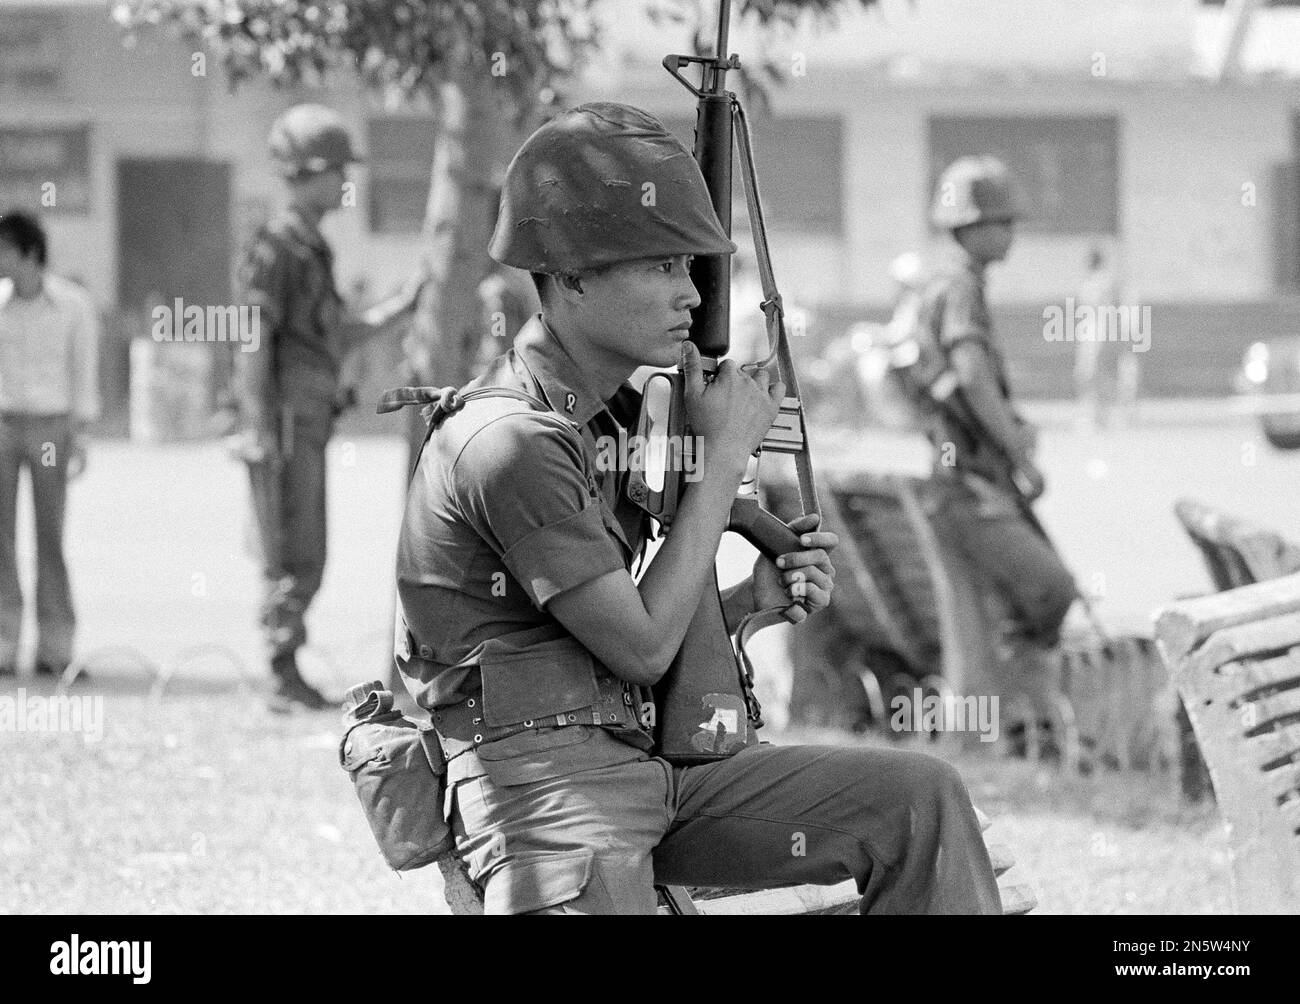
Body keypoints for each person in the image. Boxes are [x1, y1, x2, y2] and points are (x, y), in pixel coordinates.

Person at [388, 103, 1001, 915]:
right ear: (571, 277)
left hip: (651, 773)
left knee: (920, 800)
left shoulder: (606, 418)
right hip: (542, 800)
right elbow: (639, 648)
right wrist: (721, 466)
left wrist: (748, 604)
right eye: (661, 268)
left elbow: (621, 636)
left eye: (690, 269)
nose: (690, 295)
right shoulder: (509, 441)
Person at [235, 104, 424, 712]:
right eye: (338, 168)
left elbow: (335, 334)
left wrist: (401, 307)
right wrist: (258, 425)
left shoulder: (311, 250)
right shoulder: (278, 249)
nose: (346, 180)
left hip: (307, 419)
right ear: (307, 170)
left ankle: (285, 666)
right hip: (285, 421)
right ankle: (279, 671)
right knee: (293, 551)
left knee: (307, 549)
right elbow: (251, 339)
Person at [921, 157, 1077, 701]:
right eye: (1003, 221)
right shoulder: (960, 287)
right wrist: (1018, 448)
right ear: (971, 228)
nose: (1012, 232)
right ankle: (1023, 700)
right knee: (1054, 590)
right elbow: (971, 375)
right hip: (971, 483)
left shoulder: (943, 282)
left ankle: (1017, 712)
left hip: (956, 478)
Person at [0, 210, 98, 678]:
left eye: (5, 250)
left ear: (29, 254)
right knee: (0, 538)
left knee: (49, 539)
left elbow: (83, 370)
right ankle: (3, 642)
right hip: (2, 425)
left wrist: (80, 434)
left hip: (50, 429)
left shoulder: (73, 305)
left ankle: (55, 647)